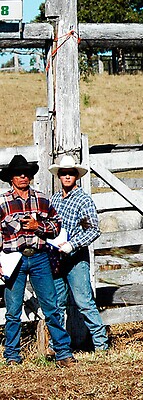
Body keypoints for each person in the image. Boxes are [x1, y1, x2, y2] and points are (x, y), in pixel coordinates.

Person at [0, 155, 75, 366]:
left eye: (26, 173)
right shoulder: (3, 202)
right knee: (13, 310)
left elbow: (56, 226)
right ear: (11, 178)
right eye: (18, 174)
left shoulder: (41, 199)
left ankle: (63, 352)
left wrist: (38, 227)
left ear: (31, 176)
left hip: (39, 257)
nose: (23, 177)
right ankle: (12, 355)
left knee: (51, 306)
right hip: (13, 258)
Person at [48, 155, 109, 352]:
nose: (67, 177)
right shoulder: (54, 199)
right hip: (56, 258)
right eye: (64, 173)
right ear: (59, 176)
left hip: (76, 258)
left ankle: (101, 345)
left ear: (76, 176)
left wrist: (72, 245)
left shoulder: (83, 200)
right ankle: (58, 347)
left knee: (84, 302)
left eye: (71, 173)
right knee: (57, 303)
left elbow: (93, 230)